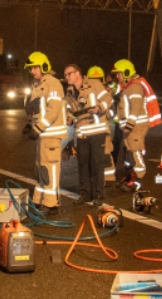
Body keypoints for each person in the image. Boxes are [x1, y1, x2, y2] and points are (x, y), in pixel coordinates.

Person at [23, 51, 68, 213]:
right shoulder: (37, 85)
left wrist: (38, 127)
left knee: (50, 168)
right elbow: (38, 111)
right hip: (43, 134)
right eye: (31, 68)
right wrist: (31, 125)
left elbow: (53, 110)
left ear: (44, 66)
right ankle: (40, 199)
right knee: (41, 167)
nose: (33, 71)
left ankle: (51, 203)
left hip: (51, 133)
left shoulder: (53, 83)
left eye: (35, 68)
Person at [64, 64, 112, 206]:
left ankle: (99, 194)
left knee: (97, 163)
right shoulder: (69, 92)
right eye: (65, 75)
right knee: (82, 163)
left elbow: (107, 99)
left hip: (97, 131)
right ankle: (85, 194)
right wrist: (69, 118)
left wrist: (99, 108)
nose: (67, 77)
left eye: (69, 74)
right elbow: (69, 109)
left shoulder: (94, 84)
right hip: (82, 133)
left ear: (78, 73)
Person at [112, 58, 162, 191]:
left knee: (135, 151)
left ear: (126, 72)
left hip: (135, 126)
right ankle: (130, 177)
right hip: (131, 126)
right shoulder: (129, 87)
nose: (117, 76)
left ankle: (138, 181)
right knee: (130, 151)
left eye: (119, 73)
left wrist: (129, 125)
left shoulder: (134, 87)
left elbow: (136, 108)